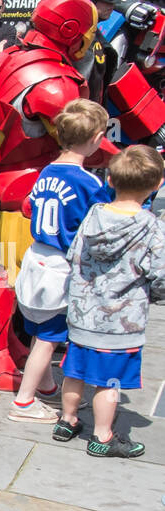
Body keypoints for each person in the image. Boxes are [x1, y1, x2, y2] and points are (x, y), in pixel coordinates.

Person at [8, 99, 114, 424]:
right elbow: (99, 225)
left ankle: (46, 386)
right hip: (61, 267)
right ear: (96, 138)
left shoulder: (45, 173)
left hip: (36, 258)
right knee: (50, 337)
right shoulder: (89, 182)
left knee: (39, 330)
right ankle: (23, 403)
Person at [57, 145, 165, 456]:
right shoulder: (152, 228)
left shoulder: (93, 216)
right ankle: (103, 436)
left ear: (110, 181)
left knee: (74, 372)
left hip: (81, 316)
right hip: (120, 323)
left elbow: (72, 255)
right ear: (157, 184)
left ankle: (67, 419)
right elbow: (160, 275)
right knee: (108, 382)